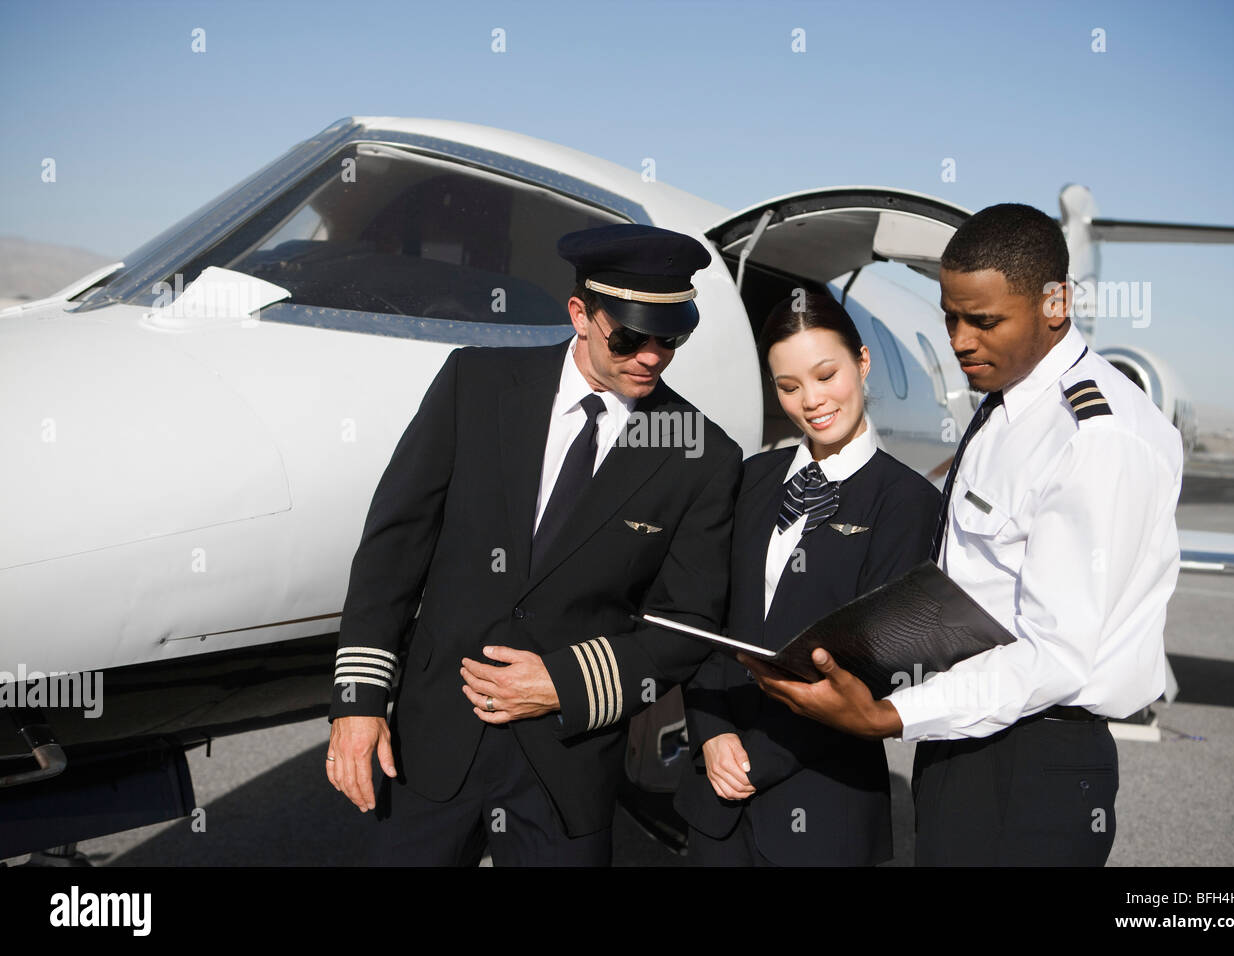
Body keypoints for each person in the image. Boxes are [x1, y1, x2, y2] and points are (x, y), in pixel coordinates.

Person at [743, 203, 1183, 866]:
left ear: (1056, 304)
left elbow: (1053, 657)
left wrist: (884, 718)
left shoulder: (1094, 438)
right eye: (950, 315)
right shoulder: (1010, 404)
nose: (960, 340)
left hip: (1032, 764)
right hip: (966, 743)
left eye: (984, 320)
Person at [325, 223, 742, 866]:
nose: (652, 356)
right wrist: (358, 703)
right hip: (433, 745)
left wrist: (562, 683)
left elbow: (688, 627)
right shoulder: (476, 384)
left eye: (671, 338)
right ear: (581, 313)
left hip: (567, 766)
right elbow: (393, 549)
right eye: (630, 336)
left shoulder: (702, 455)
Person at [675, 291, 941, 866]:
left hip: (825, 807)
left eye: (827, 375)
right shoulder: (752, 479)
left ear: (862, 363)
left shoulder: (907, 502)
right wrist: (712, 731)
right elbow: (706, 618)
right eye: (788, 387)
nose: (812, 401)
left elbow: (875, 667)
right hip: (719, 802)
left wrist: (753, 758)